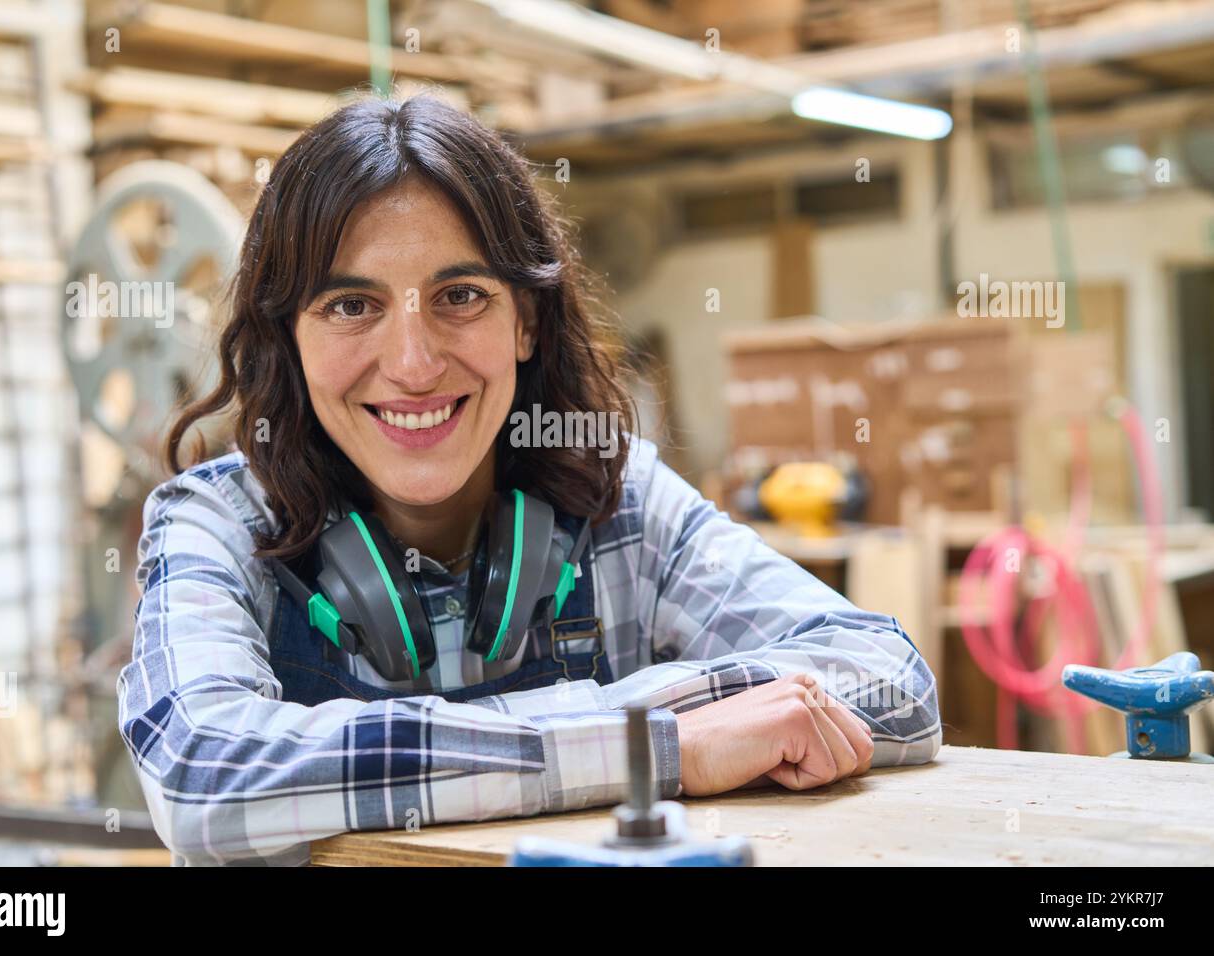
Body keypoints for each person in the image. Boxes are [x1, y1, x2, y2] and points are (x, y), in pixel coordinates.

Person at [118, 94, 940, 866]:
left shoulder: (619, 505)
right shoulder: (217, 524)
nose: (411, 364)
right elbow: (201, 767)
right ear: (287, 337)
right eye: (349, 306)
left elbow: (888, 681)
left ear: (526, 319)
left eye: (461, 295)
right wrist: (657, 745)